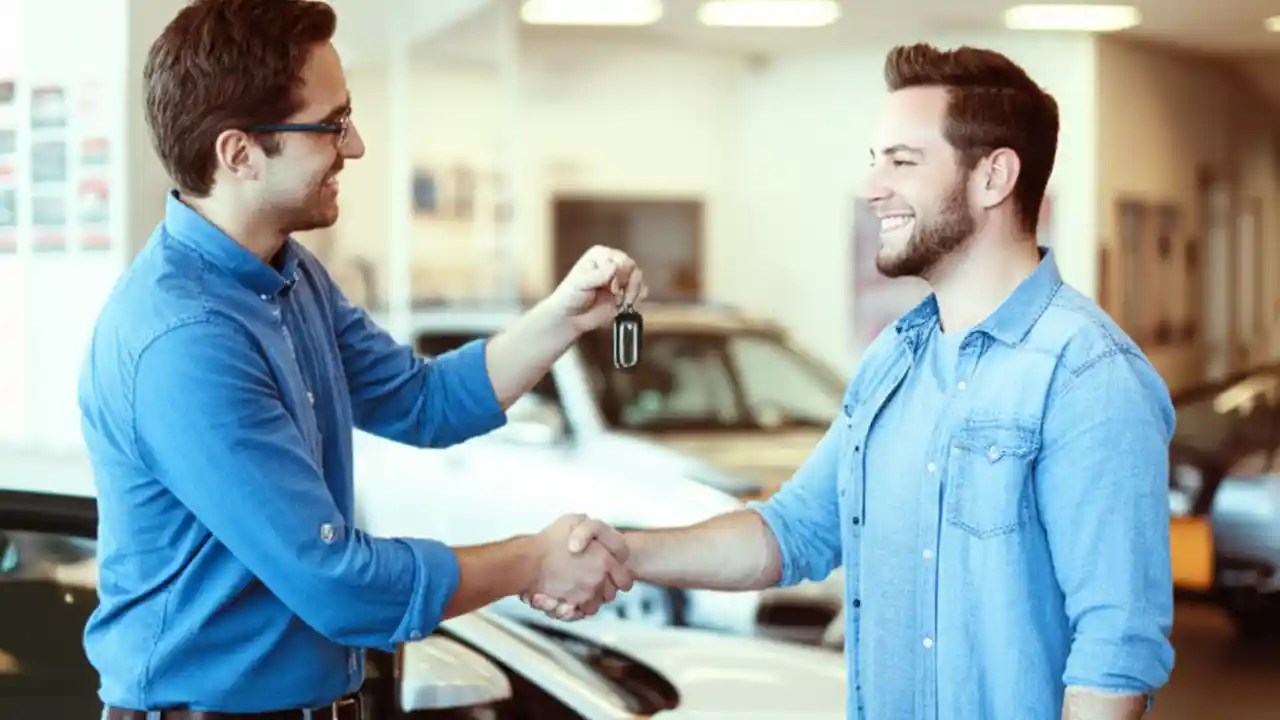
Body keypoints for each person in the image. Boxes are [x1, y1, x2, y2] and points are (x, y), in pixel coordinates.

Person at [531, 43, 1176, 720]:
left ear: (994, 177)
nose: (871, 187)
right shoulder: (893, 361)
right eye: (875, 162)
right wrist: (624, 553)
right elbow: (792, 532)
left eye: (902, 161)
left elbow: (1115, 647)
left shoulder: (1088, 375)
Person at [78, 1, 643, 717]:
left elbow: (424, 402)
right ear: (238, 153)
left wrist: (567, 316)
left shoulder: (289, 276)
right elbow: (336, 583)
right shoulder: (184, 341)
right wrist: (532, 559)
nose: (356, 147)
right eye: (331, 125)